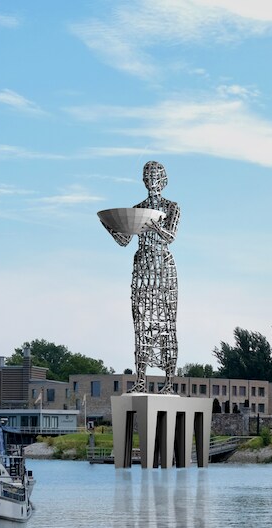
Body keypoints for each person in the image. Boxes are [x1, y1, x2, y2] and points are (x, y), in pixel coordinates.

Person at [106, 161, 180, 394]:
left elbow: (170, 236)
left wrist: (155, 227)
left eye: (156, 176)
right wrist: (110, 227)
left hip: (163, 267)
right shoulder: (137, 209)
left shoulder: (172, 207)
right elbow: (124, 241)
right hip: (143, 268)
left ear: (164, 180)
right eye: (148, 177)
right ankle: (140, 381)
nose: (152, 181)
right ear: (144, 181)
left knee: (167, 325)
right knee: (141, 327)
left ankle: (168, 383)